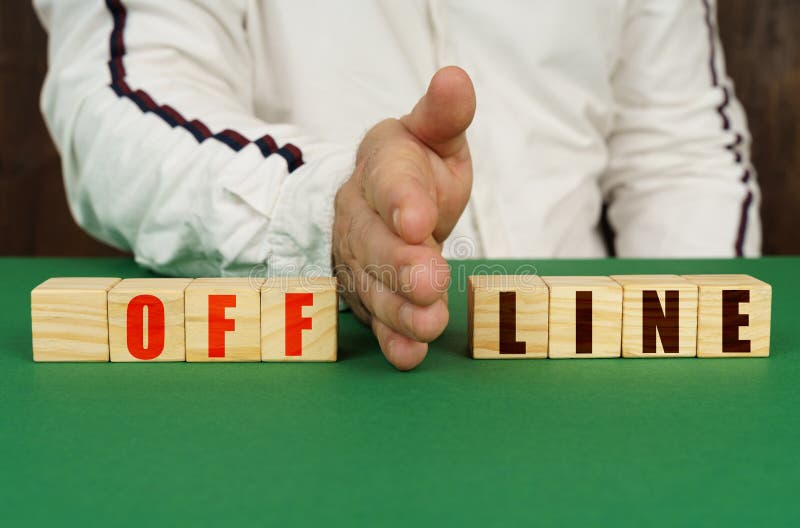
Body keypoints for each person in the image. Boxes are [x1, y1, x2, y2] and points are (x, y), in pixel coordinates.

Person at [34, 0, 760, 370]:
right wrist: (329, 215)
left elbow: (681, 152)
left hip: (588, 384)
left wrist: (683, 351)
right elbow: (122, 95)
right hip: (311, 375)